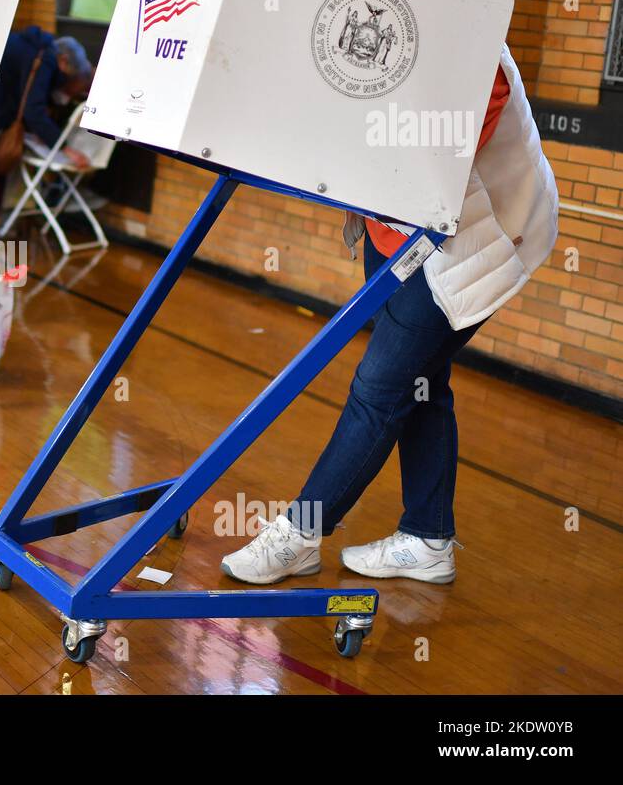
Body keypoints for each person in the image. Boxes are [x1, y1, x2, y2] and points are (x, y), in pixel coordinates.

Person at [220, 45, 558, 587]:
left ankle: (300, 536)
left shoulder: (468, 36)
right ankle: (427, 539)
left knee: (379, 389)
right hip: (398, 233)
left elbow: (438, 156)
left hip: (476, 238)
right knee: (421, 384)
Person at [0, 28, 91, 237]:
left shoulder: (28, 44)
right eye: (70, 74)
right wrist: (64, 147)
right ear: (64, 60)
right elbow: (34, 110)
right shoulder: (46, 59)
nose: (66, 79)